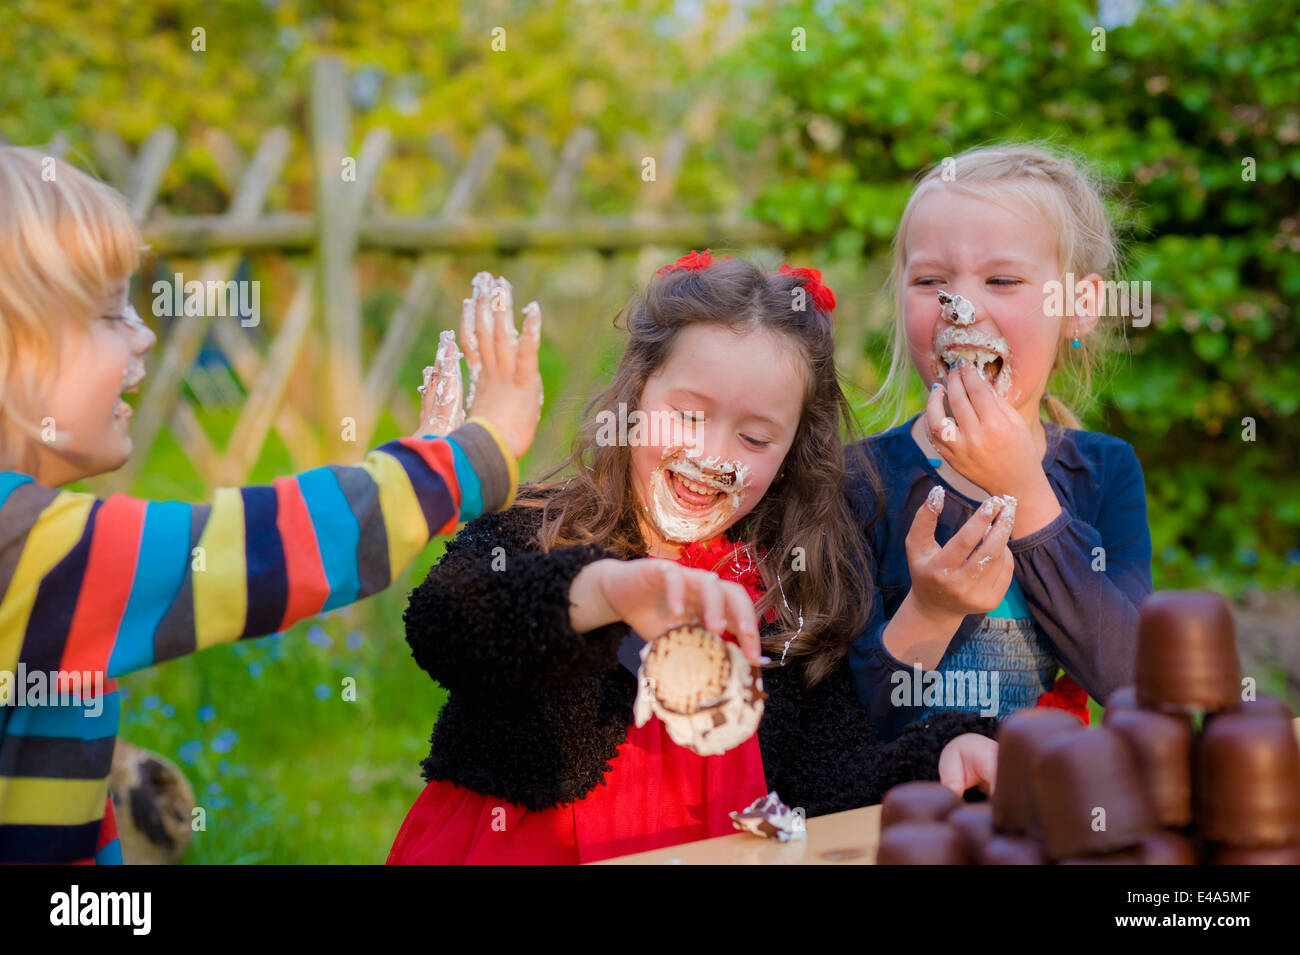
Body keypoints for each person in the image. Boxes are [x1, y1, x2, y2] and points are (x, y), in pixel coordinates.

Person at [0, 146, 543, 863]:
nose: (143, 333)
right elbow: (255, 550)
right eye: (107, 314)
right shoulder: (25, 547)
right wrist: (475, 454)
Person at [389, 252, 998, 865]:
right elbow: (447, 624)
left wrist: (936, 760)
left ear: (791, 454)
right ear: (634, 393)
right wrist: (604, 593)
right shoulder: (543, 532)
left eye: (755, 438)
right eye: (688, 415)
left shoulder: (780, 600)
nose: (712, 455)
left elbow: (826, 784)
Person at [848, 143, 1153, 741]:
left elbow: (1134, 683)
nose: (959, 309)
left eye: (1003, 279)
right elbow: (846, 729)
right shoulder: (857, 479)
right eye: (930, 280)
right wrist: (931, 611)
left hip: (1049, 811)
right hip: (905, 819)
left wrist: (1026, 494)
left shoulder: (1105, 473)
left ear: (1079, 307)